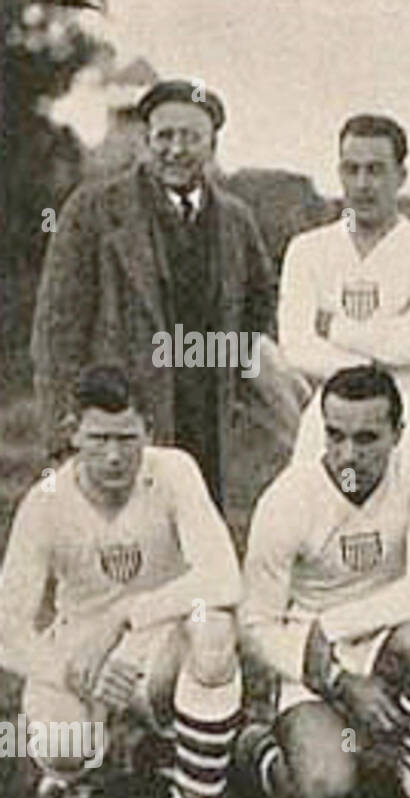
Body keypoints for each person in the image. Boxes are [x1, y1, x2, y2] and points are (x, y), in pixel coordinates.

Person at [0, 365, 243, 798]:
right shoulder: (45, 503)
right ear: (72, 434)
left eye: (128, 438)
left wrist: (124, 615)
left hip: (160, 637)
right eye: (99, 439)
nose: (114, 456)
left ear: (148, 431)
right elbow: (7, 628)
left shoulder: (175, 471)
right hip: (81, 652)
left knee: (214, 628)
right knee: (60, 743)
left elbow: (224, 577)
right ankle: (78, 776)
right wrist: (71, 670)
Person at [29, 78, 286, 517]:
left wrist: (233, 384)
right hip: (118, 420)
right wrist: (64, 436)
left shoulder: (235, 220)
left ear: (212, 144)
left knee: (199, 546)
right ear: (146, 139)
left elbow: (260, 312)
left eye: (191, 137)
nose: (176, 149)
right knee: (122, 553)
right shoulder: (91, 210)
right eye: (164, 136)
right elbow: (56, 334)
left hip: (205, 417)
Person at [237, 366, 410, 798]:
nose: (348, 455)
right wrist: (335, 677)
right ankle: (257, 750)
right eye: (334, 436)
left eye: (366, 438)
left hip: (377, 637)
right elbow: (255, 624)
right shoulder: (287, 499)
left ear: (399, 434)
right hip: (308, 655)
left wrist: (333, 629)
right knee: (325, 791)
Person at [278, 113, 410, 508]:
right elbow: (296, 347)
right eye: (351, 169)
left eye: (375, 170)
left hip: (408, 408)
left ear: (401, 175)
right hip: (331, 412)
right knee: (314, 529)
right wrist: (386, 335)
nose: (362, 184)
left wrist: (334, 327)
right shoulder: (308, 249)